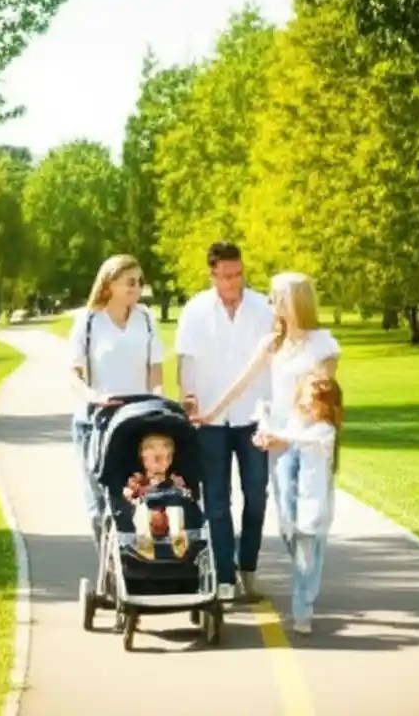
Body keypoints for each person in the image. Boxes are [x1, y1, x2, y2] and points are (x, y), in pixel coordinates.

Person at [192, 271, 341, 604]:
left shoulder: (323, 344)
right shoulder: (271, 343)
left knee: (308, 523)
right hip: (278, 444)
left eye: (277, 297)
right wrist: (211, 413)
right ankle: (306, 571)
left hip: (311, 442)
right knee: (289, 524)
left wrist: (291, 434)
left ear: (295, 300)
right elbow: (242, 382)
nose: (271, 304)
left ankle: (304, 599)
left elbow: (319, 399)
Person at [176, 241, 275, 602]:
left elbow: (276, 361)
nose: (234, 283)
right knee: (217, 500)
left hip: (254, 417)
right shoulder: (196, 310)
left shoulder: (263, 307)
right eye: (227, 276)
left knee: (257, 495)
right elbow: (186, 362)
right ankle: (224, 576)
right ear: (213, 274)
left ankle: (247, 564)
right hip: (210, 421)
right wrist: (188, 397)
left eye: (239, 274)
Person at [68, 254, 165, 548]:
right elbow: (74, 374)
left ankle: (140, 562)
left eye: (139, 283)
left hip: (136, 422)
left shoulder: (146, 319)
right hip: (95, 422)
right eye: (129, 283)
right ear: (109, 284)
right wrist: (95, 398)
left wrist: (157, 398)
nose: (136, 289)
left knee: (138, 497)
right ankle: (109, 568)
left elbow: (156, 369)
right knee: (100, 505)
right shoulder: (88, 321)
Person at [255, 372, 342, 634]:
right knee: (300, 554)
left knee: (308, 560)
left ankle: (302, 610)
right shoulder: (297, 423)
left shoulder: (325, 431)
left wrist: (276, 436)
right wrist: (264, 435)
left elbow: (295, 438)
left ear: (327, 407)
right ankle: (306, 594)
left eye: (313, 404)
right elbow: (283, 436)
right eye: (304, 402)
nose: (307, 408)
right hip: (291, 505)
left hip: (313, 510)